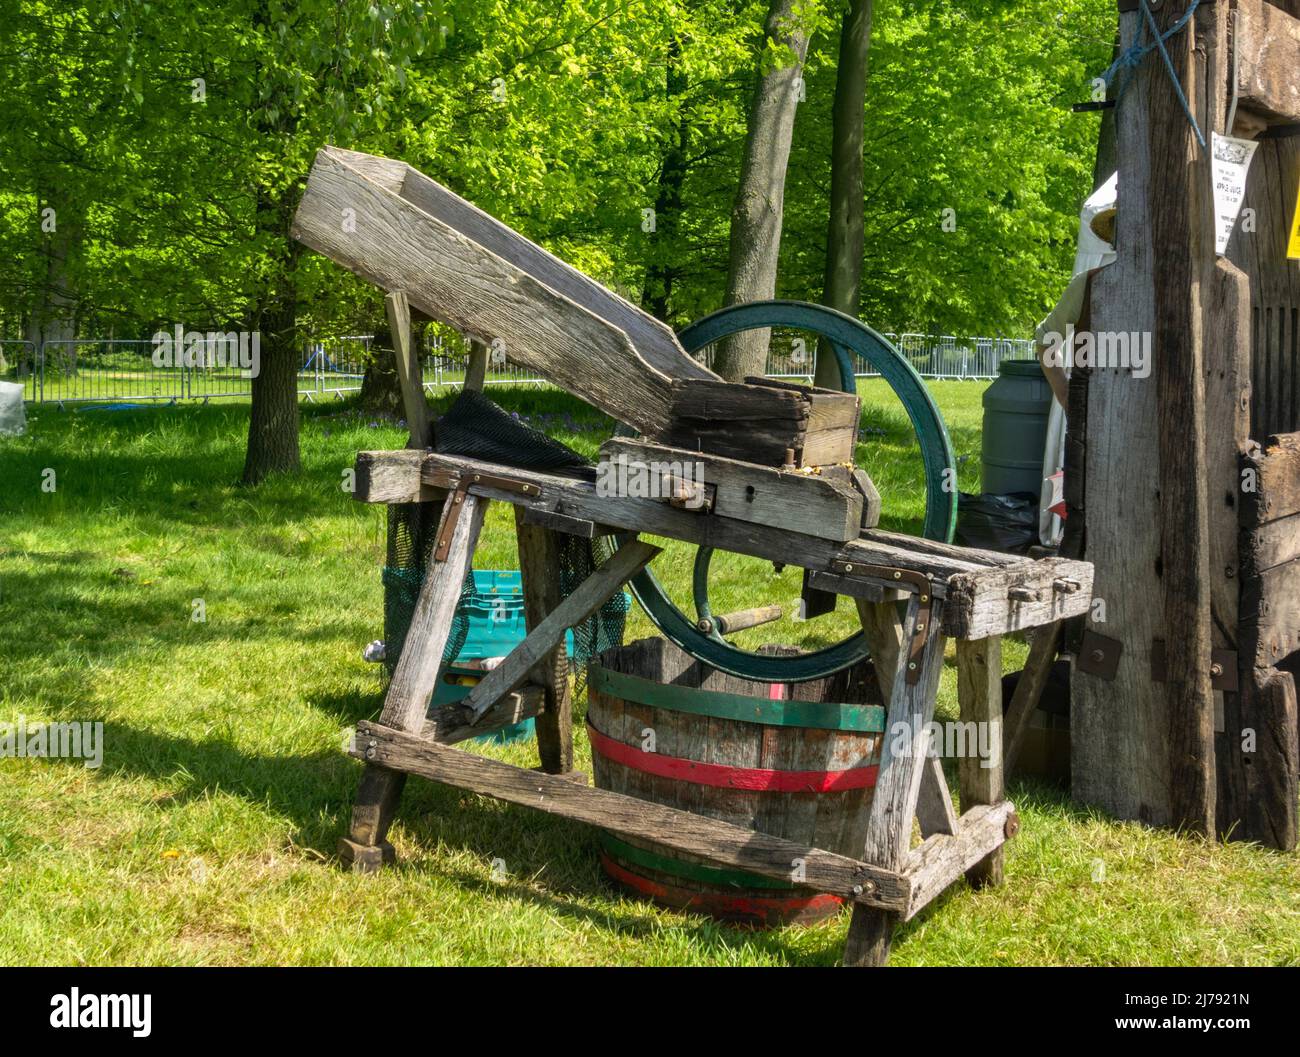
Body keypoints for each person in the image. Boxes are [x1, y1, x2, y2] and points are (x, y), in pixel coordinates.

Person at [1032, 172, 1117, 546]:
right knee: (1080, 503)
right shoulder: (1089, 282)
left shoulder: (1169, 285)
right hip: (1093, 417)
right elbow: (1045, 337)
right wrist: (1065, 392)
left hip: (1146, 420)